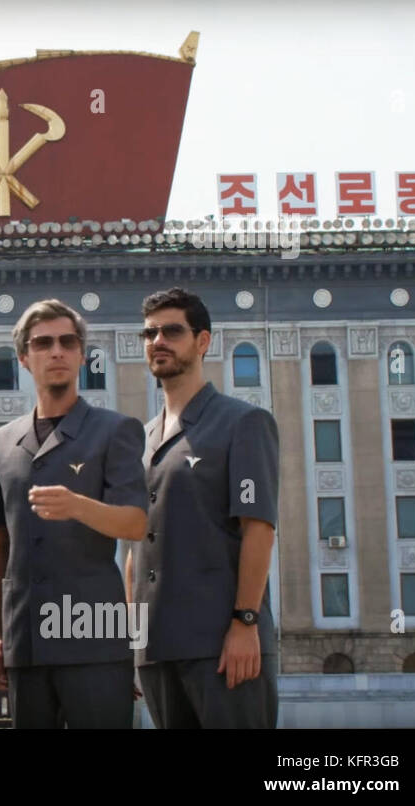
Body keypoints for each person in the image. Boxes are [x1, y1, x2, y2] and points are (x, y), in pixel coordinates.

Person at [0, 300, 148, 728]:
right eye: (43, 343)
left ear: (80, 354)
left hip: (92, 634)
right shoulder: (0, 443)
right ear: (24, 357)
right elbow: (2, 542)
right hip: (26, 640)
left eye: (67, 342)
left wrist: (78, 506)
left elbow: (135, 523)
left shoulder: (115, 429)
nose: (56, 351)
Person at [128, 287, 280, 728]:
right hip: (158, 649)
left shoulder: (242, 422)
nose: (158, 341)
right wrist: (133, 638)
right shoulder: (142, 440)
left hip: (223, 647)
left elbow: (259, 529)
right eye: (150, 333)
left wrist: (245, 623)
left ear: (203, 341)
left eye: (172, 331)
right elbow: (137, 548)